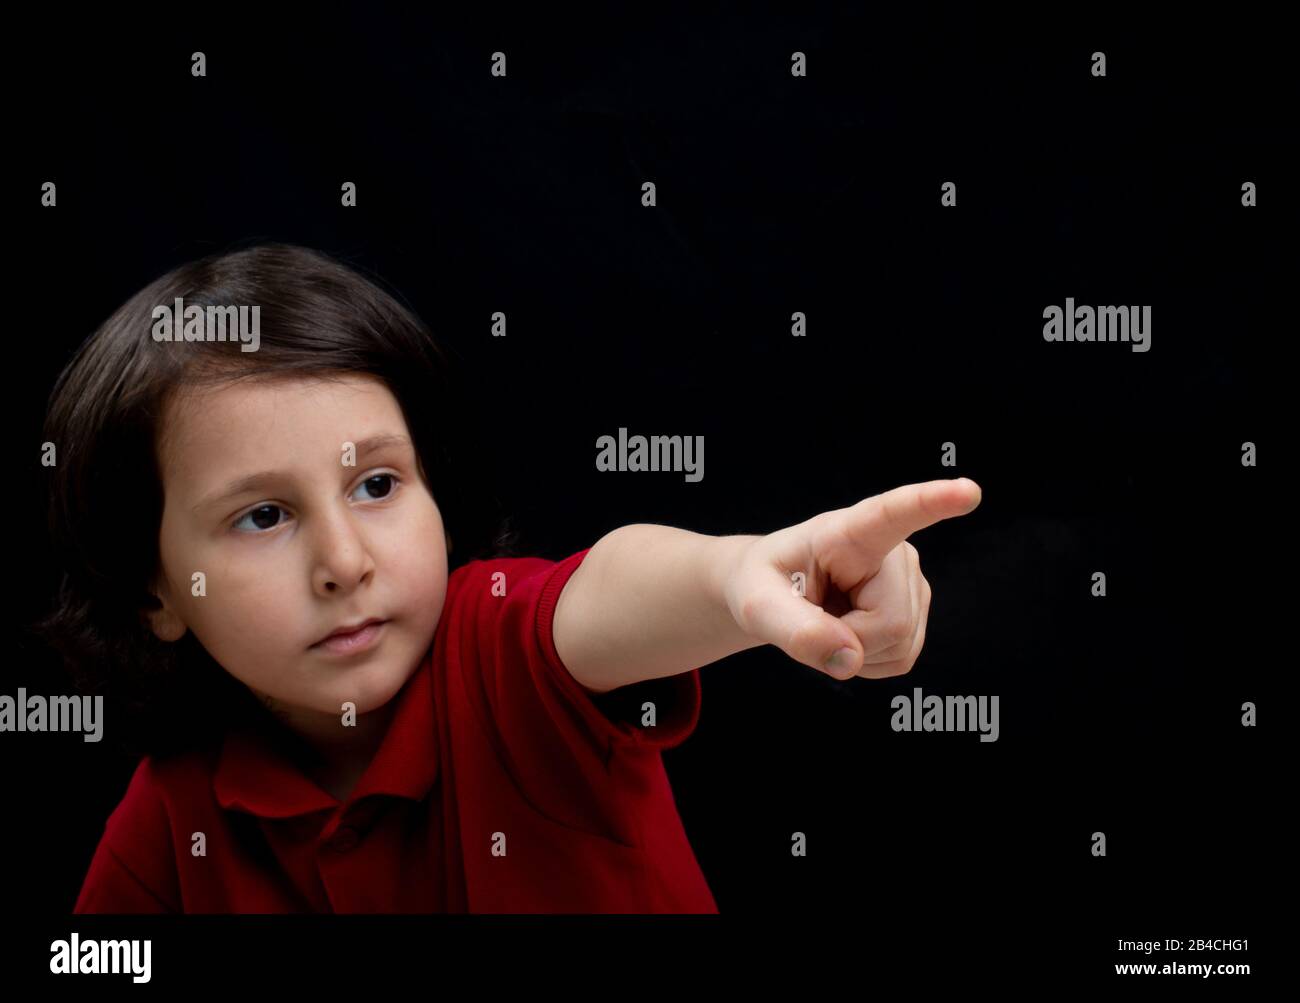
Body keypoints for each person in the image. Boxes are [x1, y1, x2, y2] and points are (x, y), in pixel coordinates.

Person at [36, 242, 980, 913]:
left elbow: (605, 594)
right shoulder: (176, 810)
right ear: (152, 590)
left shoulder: (496, 651)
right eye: (263, 515)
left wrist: (740, 570)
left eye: (376, 484)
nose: (345, 562)